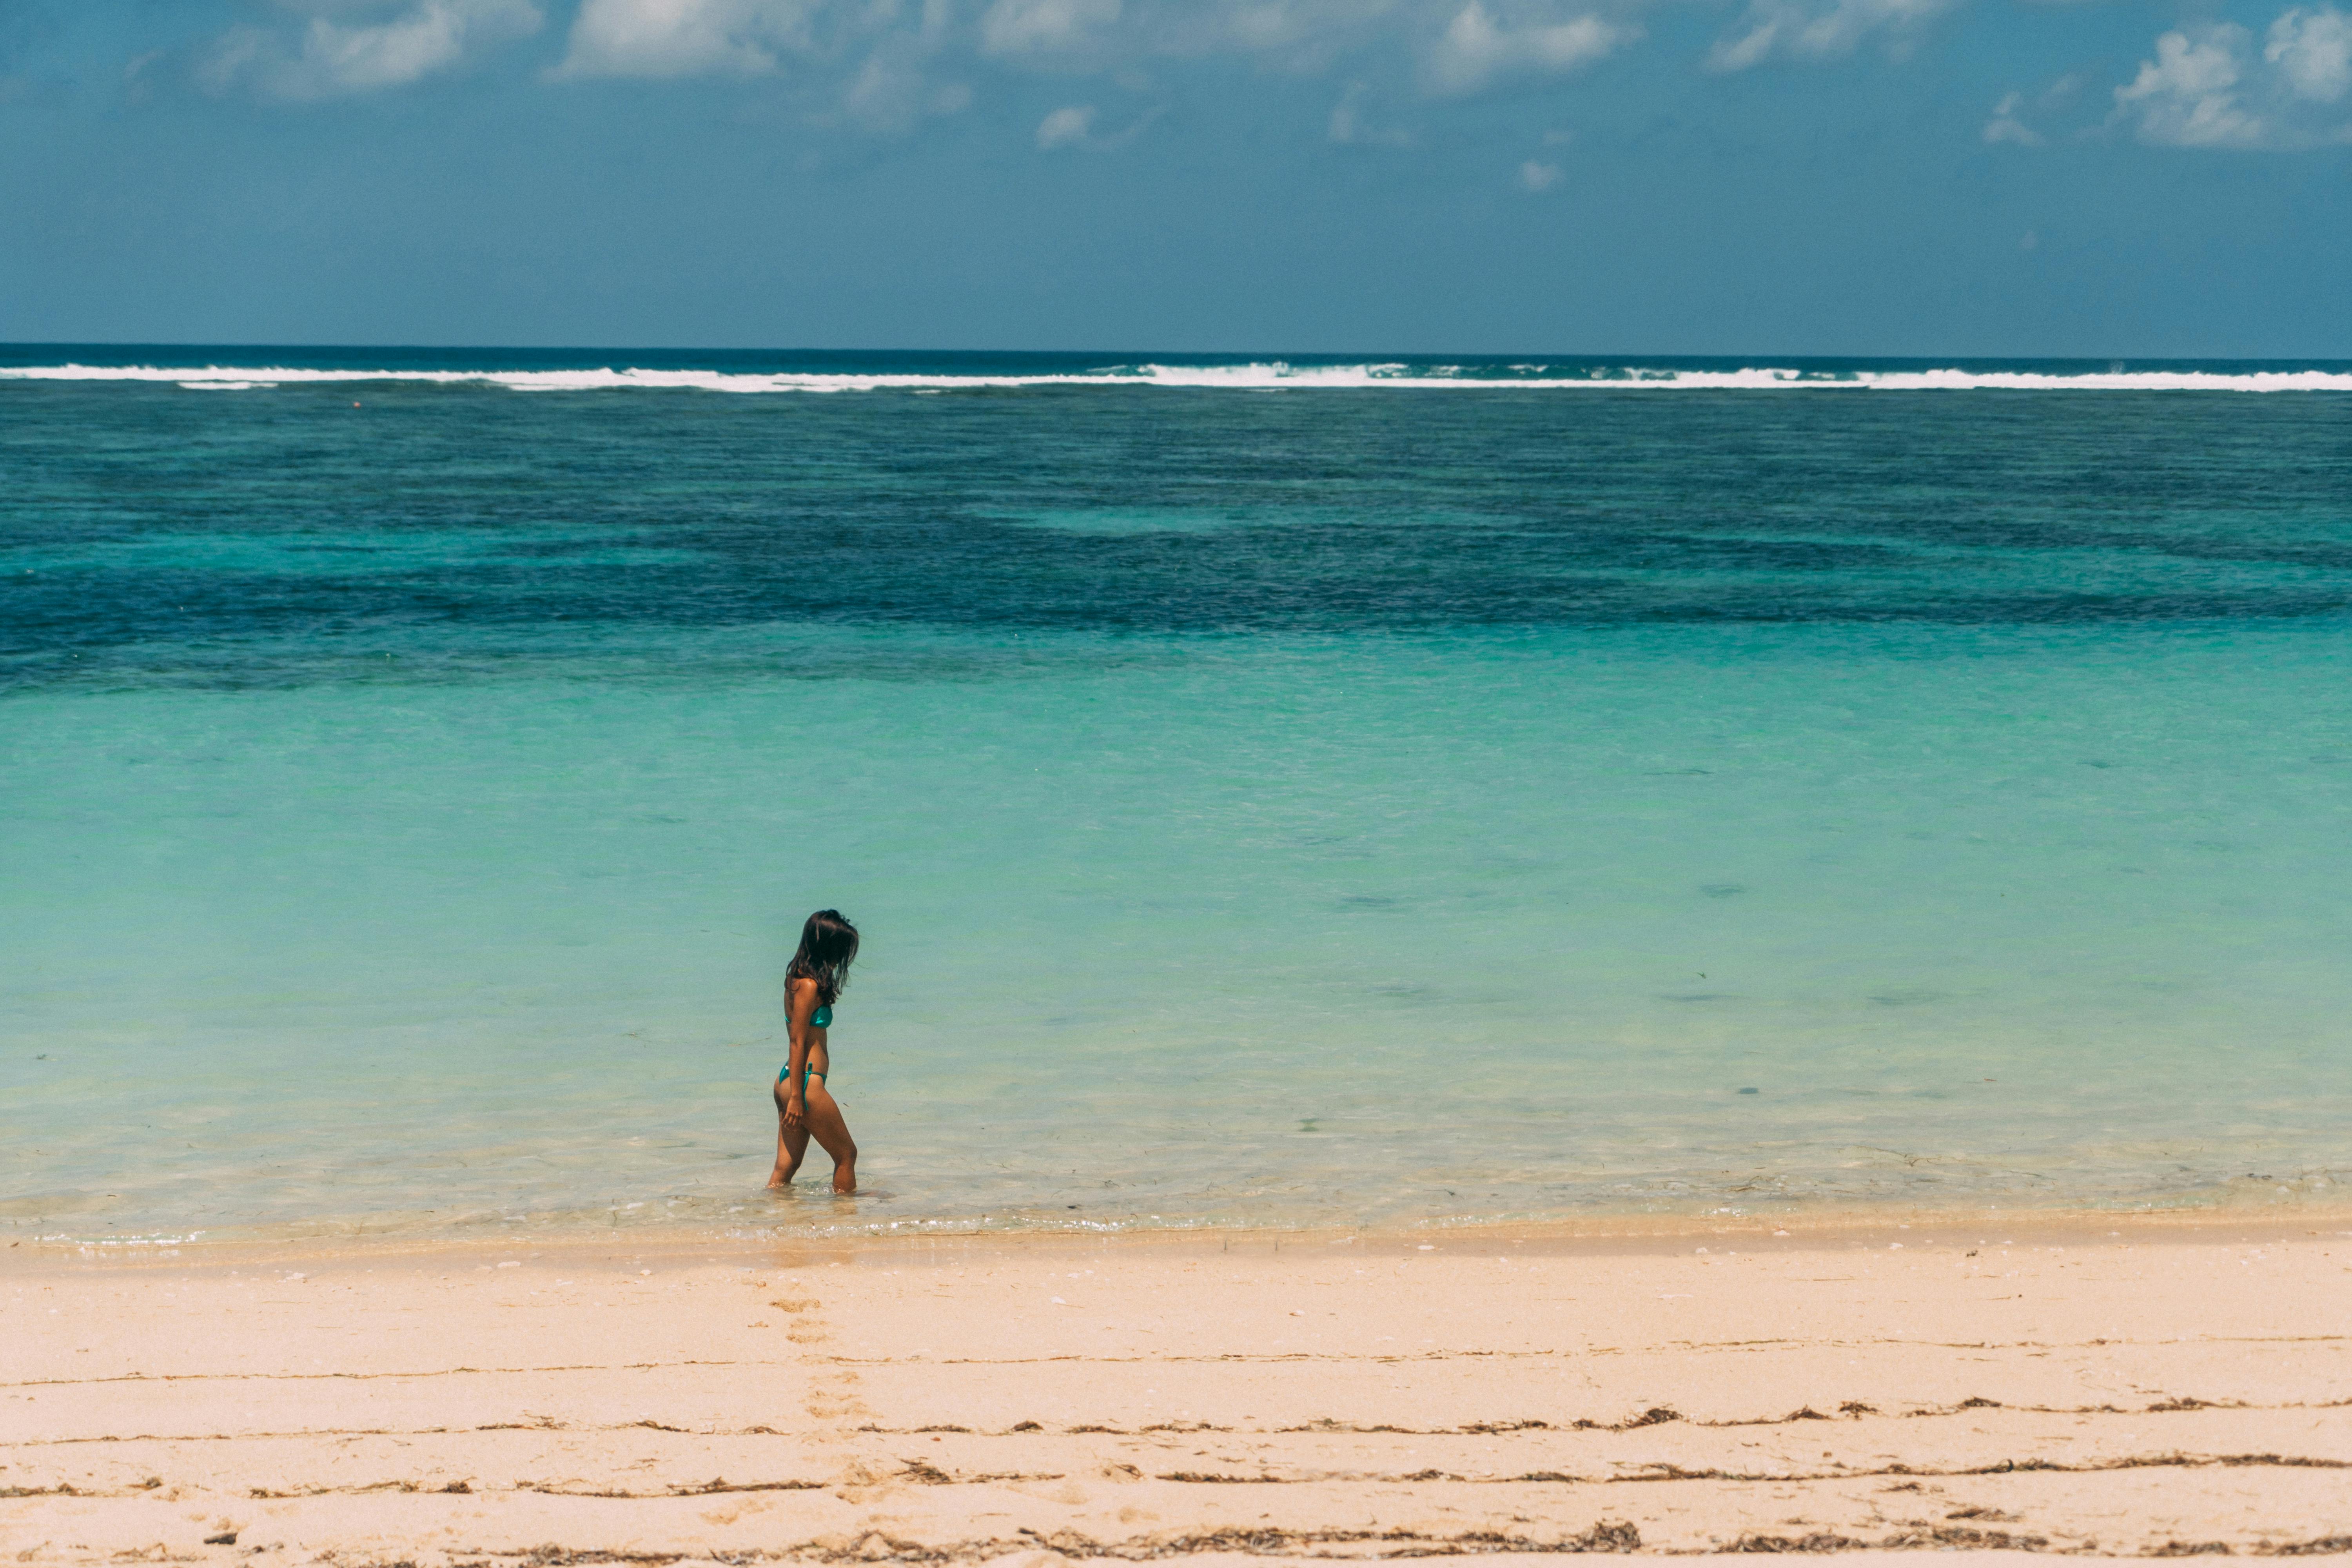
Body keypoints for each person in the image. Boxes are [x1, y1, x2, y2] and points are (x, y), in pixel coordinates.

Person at [767, 909, 861, 1194]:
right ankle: (846, 1222)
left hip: (790, 1080)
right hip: (805, 1086)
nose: (841, 959)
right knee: (846, 1156)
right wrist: (797, 1097)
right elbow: (797, 1042)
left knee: (786, 1168)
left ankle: (771, 1218)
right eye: (840, 950)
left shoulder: (796, 979)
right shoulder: (808, 986)